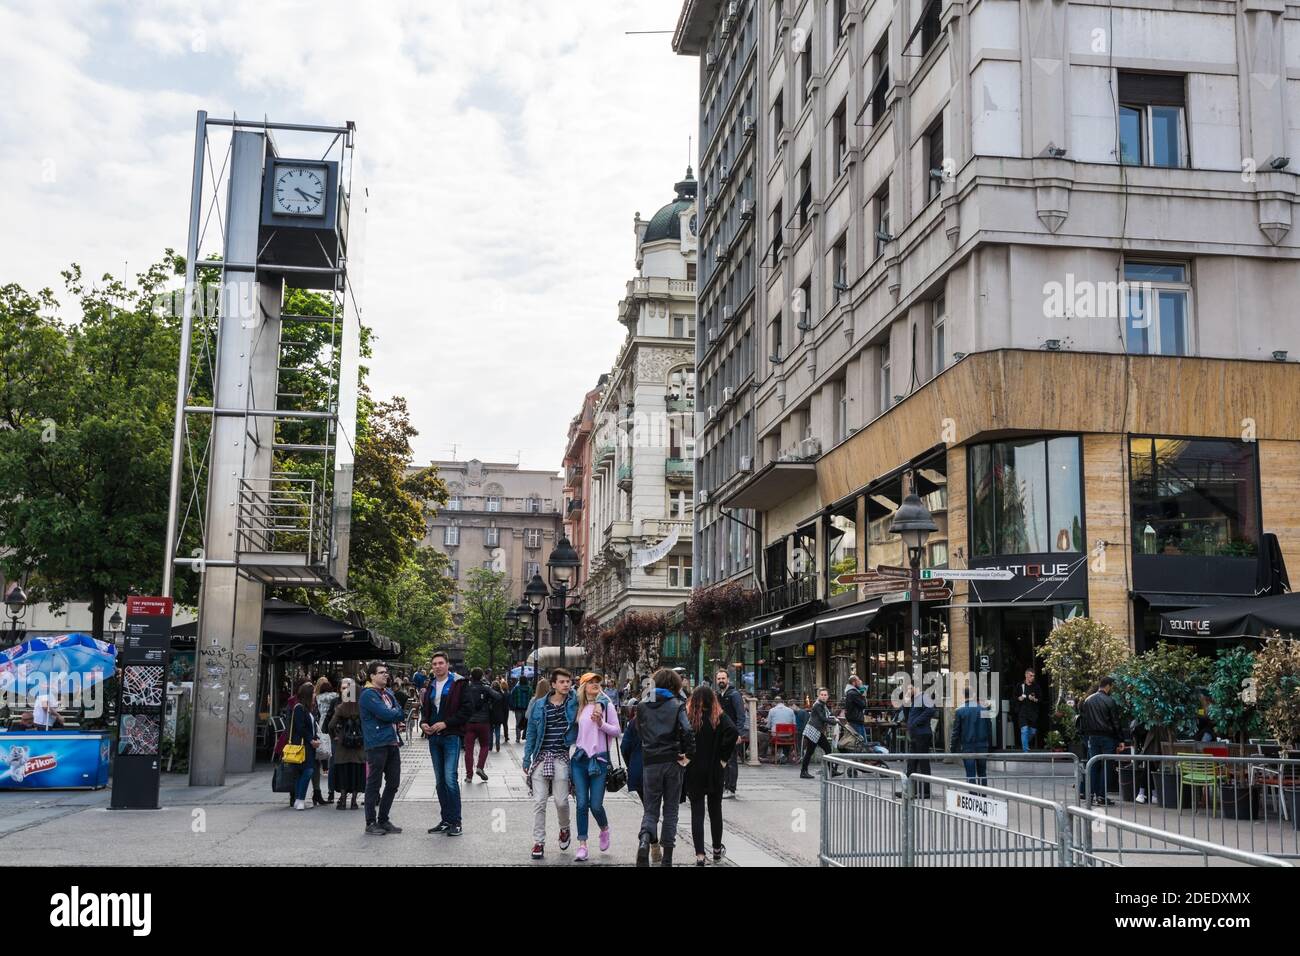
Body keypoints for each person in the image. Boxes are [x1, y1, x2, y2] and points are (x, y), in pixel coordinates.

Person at [635, 668, 696, 867]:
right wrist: (688, 754)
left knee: (650, 808)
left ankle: (645, 840)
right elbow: (687, 731)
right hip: (672, 760)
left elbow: (639, 731)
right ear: (675, 685)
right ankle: (667, 858)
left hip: (651, 761)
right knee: (670, 810)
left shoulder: (642, 706)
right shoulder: (677, 704)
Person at [522, 669, 577, 860]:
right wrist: (526, 757)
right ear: (553, 685)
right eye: (562, 682)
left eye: (568, 681)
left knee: (561, 801)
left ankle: (564, 829)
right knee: (539, 802)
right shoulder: (539, 705)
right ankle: (538, 842)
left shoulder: (574, 702)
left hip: (561, 757)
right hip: (540, 757)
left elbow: (599, 698)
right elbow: (531, 732)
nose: (566, 685)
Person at [420, 651, 472, 836]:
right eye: (434, 664)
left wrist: (446, 723)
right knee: (440, 781)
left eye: (441, 663)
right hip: (434, 737)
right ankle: (446, 819)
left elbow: (467, 710)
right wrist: (423, 723)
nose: (437, 666)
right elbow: (425, 710)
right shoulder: (430, 684)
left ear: (448, 664)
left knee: (450, 779)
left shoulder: (459, 683)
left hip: (451, 735)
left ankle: (456, 821)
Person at [685, 685, 738, 866]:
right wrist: (723, 757)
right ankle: (716, 850)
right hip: (715, 771)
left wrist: (684, 758)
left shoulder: (690, 717)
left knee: (697, 814)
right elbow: (733, 732)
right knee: (715, 811)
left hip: (694, 770)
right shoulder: (719, 717)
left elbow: (679, 737)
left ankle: (700, 854)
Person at [571, 673, 620, 861]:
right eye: (590, 682)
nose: (595, 685)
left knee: (596, 805)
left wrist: (601, 723)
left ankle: (604, 829)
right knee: (581, 804)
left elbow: (617, 731)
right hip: (580, 760)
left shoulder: (607, 707)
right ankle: (582, 845)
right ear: (583, 686)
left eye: (597, 682)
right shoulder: (579, 707)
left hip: (599, 760)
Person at [359, 661, 405, 835]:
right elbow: (387, 714)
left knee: (393, 782)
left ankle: (383, 819)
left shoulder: (388, 693)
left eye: (386, 672)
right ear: (372, 676)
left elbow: (400, 711)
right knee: (374, 784)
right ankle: (370, 822)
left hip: (392, 742)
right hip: (377, 743)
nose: (386, 674)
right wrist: (392, 714)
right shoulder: (368, 694)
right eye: (381, 672)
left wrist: (392, 714)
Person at [1079, 676, 1128, 806]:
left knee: (1093, 765)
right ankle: (1101, 796)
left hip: (1092, 737)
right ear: (1108, 686)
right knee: (1107, 766)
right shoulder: (1110, 701)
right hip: (1107, 737)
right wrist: (1121, 740)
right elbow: (1115, 722)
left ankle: (1090, 794)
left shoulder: (1088, 700)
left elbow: (1084, 720)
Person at [324, 678, 364, 810]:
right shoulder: (361, 707)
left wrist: (335, 736)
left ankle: (342, 801)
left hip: (343, 744)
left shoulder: (341, 707)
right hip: (358, 744)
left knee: (343, 771)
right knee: (356, 772)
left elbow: (330, 725)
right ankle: (353, 801)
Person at [950, 686, 993, 786]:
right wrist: (989, 746)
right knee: (982, 774)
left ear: (964, 696)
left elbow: (956, 732)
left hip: (967, 747)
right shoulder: (984, 709)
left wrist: (952, 748)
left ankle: (973, 796)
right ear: (973, 695)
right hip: (982, 746)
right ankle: (983, 798)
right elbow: (989, 729)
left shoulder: (959, 712)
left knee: (970, 774)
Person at [289, 682, 321, 811]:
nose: (315, 695)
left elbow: (311, 727)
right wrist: (311, 740)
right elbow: (300, 727)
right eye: (313, 693)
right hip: (303, 745)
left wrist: (315, 738)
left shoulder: (307, 709)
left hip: (308, 744)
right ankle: (300, 799)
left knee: (302, 772)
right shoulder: (299, 708)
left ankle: (298, 799)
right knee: (308, 771)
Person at [899, 684, 936, 797]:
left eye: (910, 689)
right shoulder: (914, 700)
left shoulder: (924, 697)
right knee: (911, 763)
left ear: (916, 688)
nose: (908, 691)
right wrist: (906, 702)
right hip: (915, 735)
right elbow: (906, 716)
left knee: (923, 762)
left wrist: (916, 722)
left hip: (922, 734)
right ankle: (909, 790)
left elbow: (930, 710)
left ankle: (925, 791)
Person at [715, 669, 746, 798]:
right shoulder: (718, 695)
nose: (721, 680)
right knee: (722, 761)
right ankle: (724, 786)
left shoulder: (734, 694)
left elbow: (741, 716)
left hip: (732, 734)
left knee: (731, 761)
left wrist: (738, 734)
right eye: (719, 679)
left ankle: (731, 788)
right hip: (721, 734)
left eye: (723, 678)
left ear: (728, 679)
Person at [462, 668, 497, 782]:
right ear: (482, 676)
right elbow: (498, 697)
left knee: (469, 750)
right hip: (483, 722)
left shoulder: (466, 688)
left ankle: (469, 775)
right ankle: (480, 767)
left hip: (469, 722)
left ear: (471, 676)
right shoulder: (485, 688)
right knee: (485, 746)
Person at [800, 687, 841, 779]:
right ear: (818, 696)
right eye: (822, 695)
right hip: (813, 731)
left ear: (828, 696)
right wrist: (834, 722)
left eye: (825, 695)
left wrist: (833, 718)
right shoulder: (818, 705)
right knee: (814, 751)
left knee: (825, 749)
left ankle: (831, 770)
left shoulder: (822, 705)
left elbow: (827, 715)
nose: (823, 696)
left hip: (817, 731)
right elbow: (822, 718)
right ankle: (803, 772)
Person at [313, 677, 338, 806]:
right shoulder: (336, 698)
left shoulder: (317, 698)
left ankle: (324, 765)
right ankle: (328, 768)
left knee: (324, 747)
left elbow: (316, 712)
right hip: (334, 726)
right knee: (332, 753)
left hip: (323, 724)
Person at [1015, 668, 1042, 752]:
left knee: (1033, 732)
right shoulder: (1020, 685)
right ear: (1026, 675)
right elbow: (1014, 697)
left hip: (1033, 712)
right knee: (1024, 730)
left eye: (1033, 676)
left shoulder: (1036, 687)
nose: (1032, 677)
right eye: (1031, 675)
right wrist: (1019, 698)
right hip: (1023, 712)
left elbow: (1040, 700)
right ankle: (1025, 751)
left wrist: (1034, 699)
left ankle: (1025, 743)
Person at [765, 697, 797, 764]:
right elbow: (794, 724)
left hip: (777, 736)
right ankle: (785, 755)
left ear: (774, 703)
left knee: (768, 735)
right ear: (783, 702)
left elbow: (768, 726)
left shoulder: (772, 710)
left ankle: (774, 756)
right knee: (785, 736)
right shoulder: (791, 710)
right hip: (789, 735)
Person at [842, 675, 868, 746]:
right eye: (858, 681)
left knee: (859, 742)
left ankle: (859, 756)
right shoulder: (853, 693)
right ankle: (861, 757)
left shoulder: (850, 692)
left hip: (854, 720)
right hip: (856, 720)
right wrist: (863, 693)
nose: (860, 682)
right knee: (861, 743)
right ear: (853, 683)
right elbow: (863, 704)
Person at [509, 675, 533, 743]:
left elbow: (511, 696)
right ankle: (526, 736)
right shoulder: (529, 689)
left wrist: (513, 706)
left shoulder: (516, 688)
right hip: (527, 708)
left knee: (518, 723)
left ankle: (518, 738)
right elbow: (531, 698)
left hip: (518, 708)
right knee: (527, 723)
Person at [490, 678, 511, 751]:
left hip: (491, 715)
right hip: (499, 714)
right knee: (497, 730)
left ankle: (490, 745)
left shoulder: (490, 694)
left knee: (490, 731)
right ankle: (497, 743)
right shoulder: (502, 694)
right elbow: (505, 706)